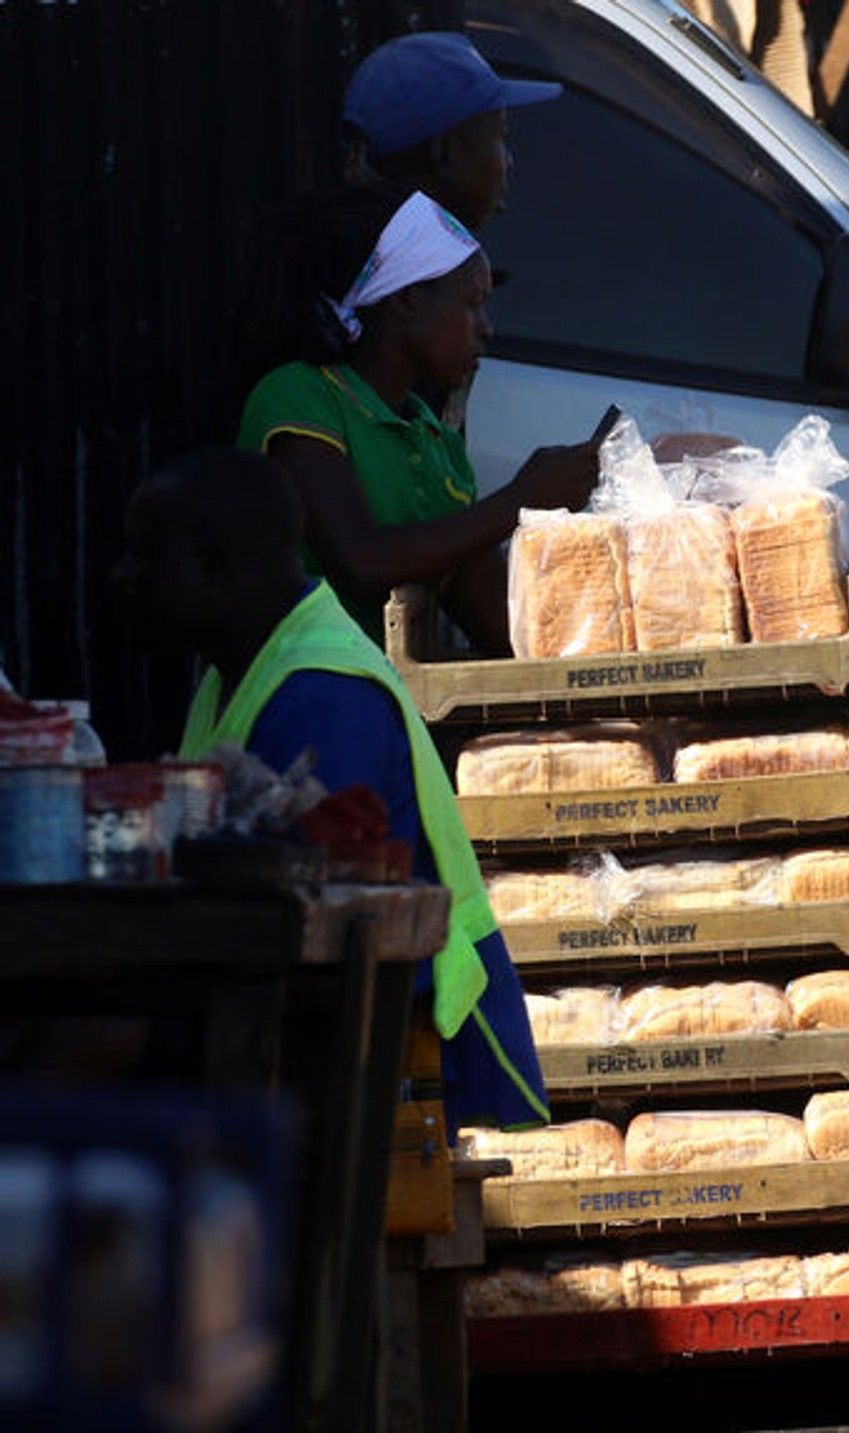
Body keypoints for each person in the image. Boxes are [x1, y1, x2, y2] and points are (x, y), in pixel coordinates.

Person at [112, 447, 549, 1133]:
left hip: (425, 1066)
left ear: (217, 567)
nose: (124, 577)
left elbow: (301, 954)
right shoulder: (237, 673)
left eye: (144, 555)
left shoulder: (320, 695)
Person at [233, 187, 597, 654]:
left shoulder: (436, 440)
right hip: (301, 696)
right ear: (406, 301)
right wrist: (522, 500)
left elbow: (499, 628)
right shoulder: (300, 397)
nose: (486, 327)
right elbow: (362, 560)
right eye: (472, 303)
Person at [340, 30, 560, 233]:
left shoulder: (344, 242)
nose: (508, 159)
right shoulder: (445, 266)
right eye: (500, 137)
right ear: (445, 152)